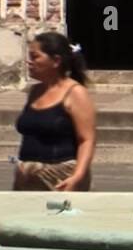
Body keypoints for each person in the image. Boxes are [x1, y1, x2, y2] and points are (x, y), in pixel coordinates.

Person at [13, 32, 96, 191]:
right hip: (27, 178)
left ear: (56, 61)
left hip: (61, 178)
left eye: (35, 57)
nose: (29, 62)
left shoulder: (75, 93)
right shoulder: (34, 92)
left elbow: (87, 140)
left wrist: (77, 177)